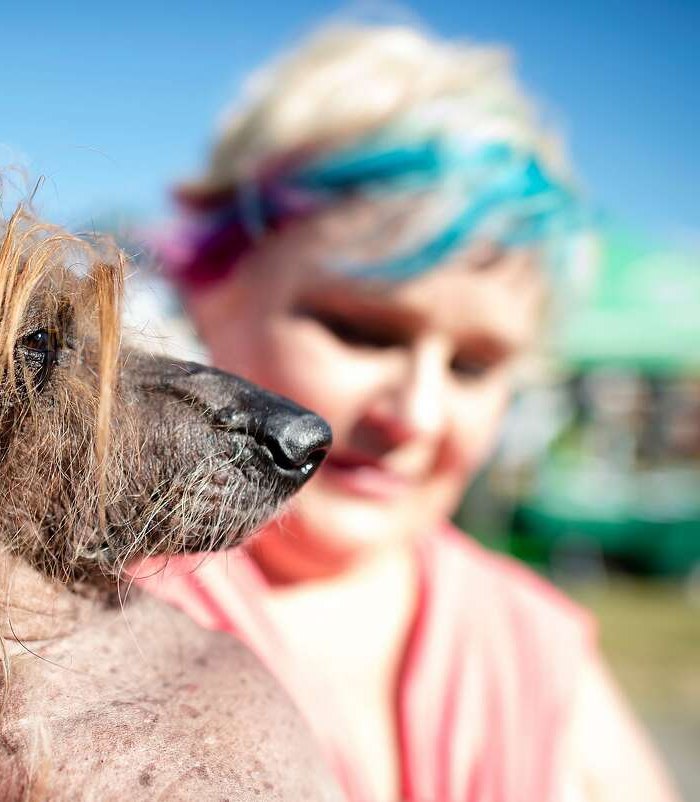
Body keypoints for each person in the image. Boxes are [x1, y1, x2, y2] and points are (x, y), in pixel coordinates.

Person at [138, 24, 679, 802]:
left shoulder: (536, 650)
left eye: (474, 366)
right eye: (360, 330)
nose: (416, 416)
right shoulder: (88, 613)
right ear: (211, 286)